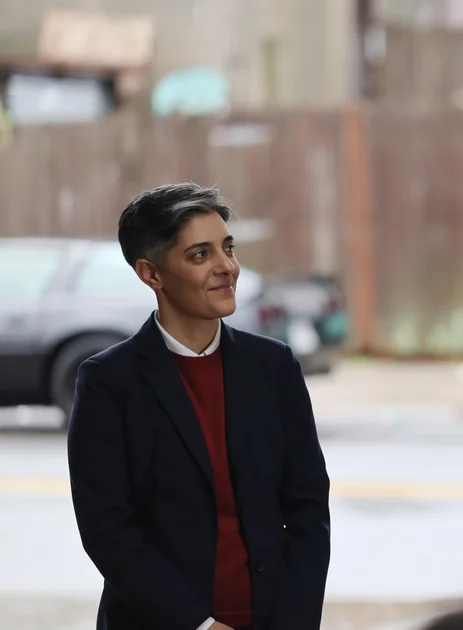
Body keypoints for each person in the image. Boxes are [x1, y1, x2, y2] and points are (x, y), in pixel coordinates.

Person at [66, 183, 332, 630]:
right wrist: (199, 626)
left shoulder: (274, 366)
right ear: (151, 273)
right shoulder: (109, 382)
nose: (227, 267)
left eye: (227, 248)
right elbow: (107, 530)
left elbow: (308, 509)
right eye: (200, 255)